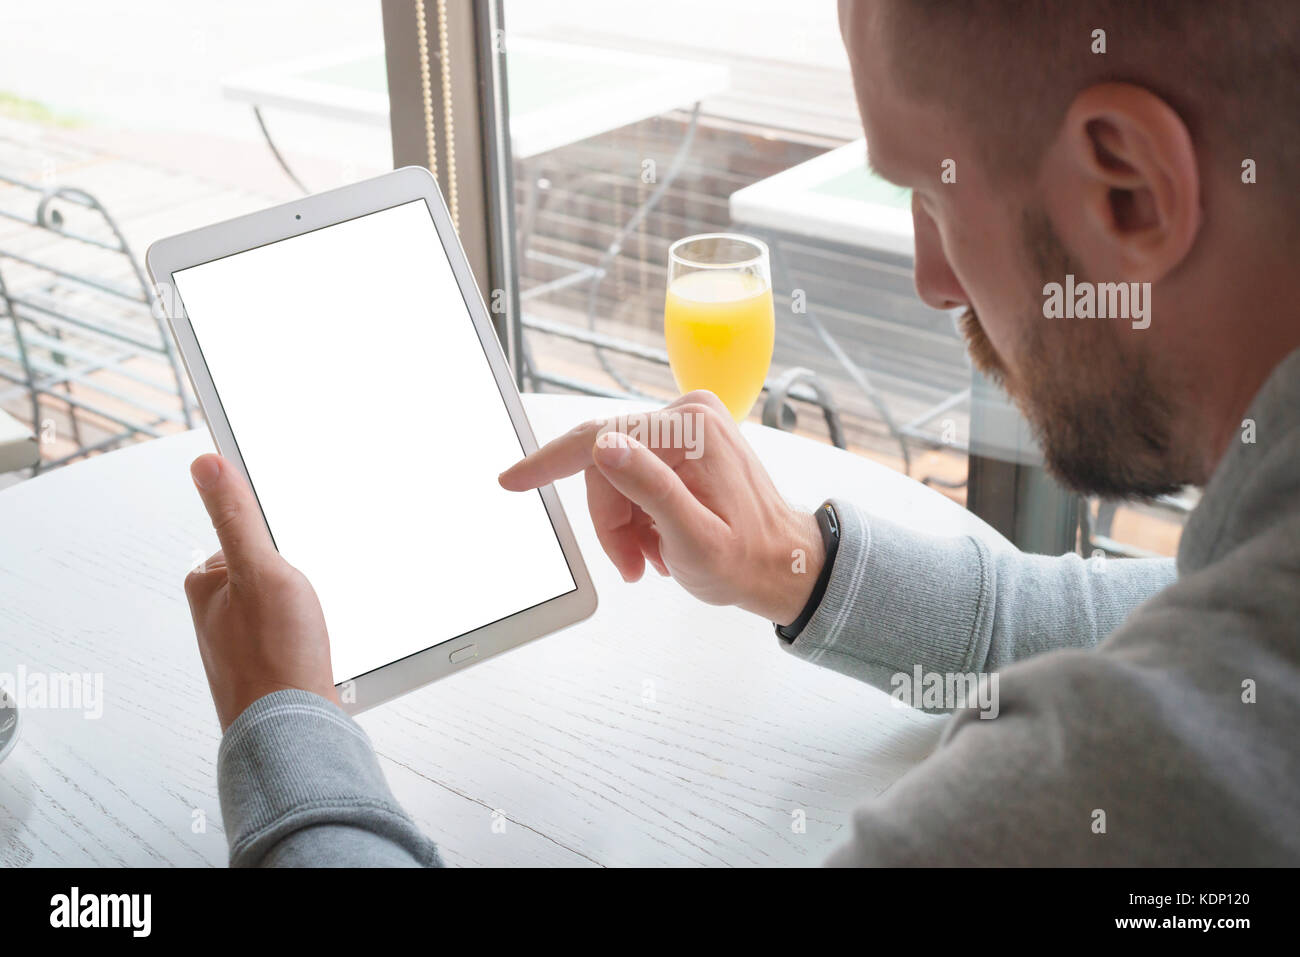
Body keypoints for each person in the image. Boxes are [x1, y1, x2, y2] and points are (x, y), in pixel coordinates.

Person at [184, 0, 1300, 866]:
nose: (926, 277)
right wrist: (795, 566)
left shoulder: (1132, 792)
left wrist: (286, 734)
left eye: (928, 192)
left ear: (1130, 191)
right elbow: (1132, 623)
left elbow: (1157, 690)